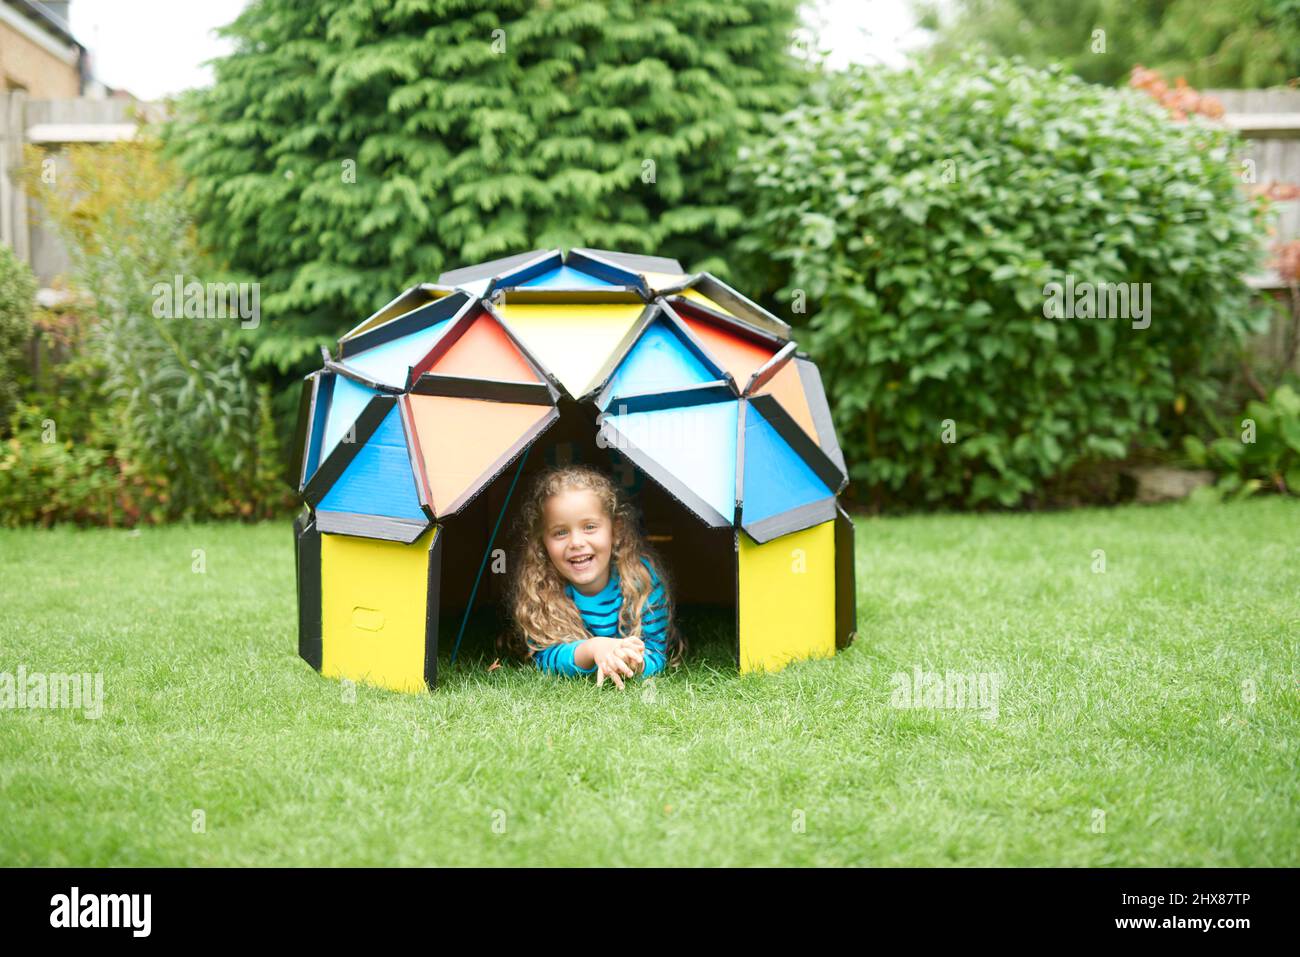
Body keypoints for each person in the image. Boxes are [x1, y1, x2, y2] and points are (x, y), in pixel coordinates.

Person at [508, 464, 682, 688]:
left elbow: (656, 650)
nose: (577, 542)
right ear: (543, 542)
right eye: (560, 532)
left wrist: (632, 662)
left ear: (615, 530)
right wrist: (593, 649)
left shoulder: (643, 582)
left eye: (590, 527)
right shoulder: (541, 588)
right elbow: (546, 657)